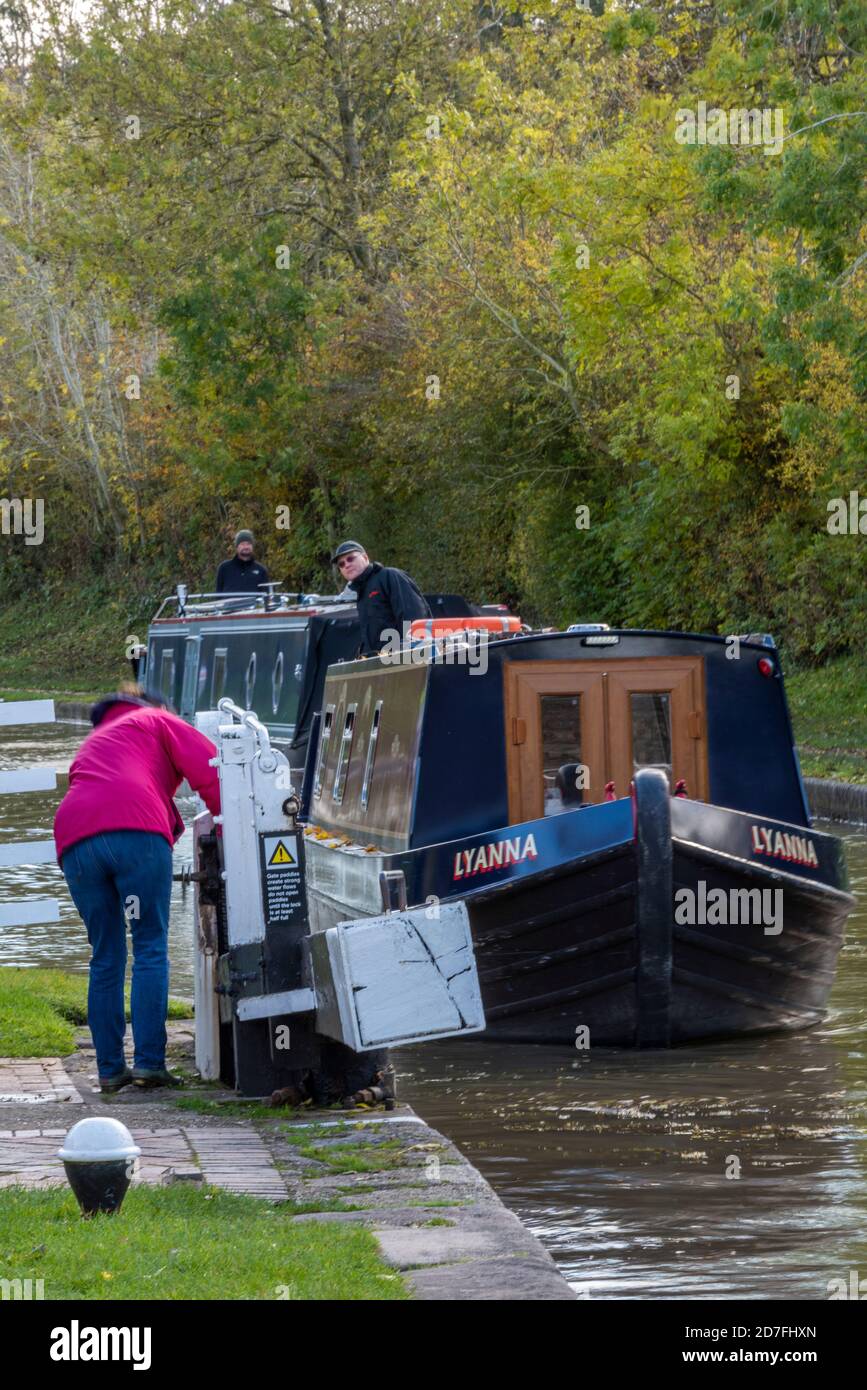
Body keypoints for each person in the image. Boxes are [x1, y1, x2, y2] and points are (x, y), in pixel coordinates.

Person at [53, 685, 222, 1092]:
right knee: (148, 945)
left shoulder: (95, 741)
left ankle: (110, 1070)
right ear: (161, 707)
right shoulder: (157, 719)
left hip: (75, 841)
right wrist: (227, 823)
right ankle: (149, 1063)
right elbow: (213, 769)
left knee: (106, 955)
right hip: (134, 833)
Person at [331, 540, 431, 656]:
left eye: (350, 558)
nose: (346, 565)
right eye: (341, 564)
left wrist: (410, 653)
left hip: (406, 660)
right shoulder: (361, 594)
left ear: (365, 557)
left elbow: (414, 616)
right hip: (381, 665)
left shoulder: (389, 576)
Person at [215, 529, 270, 595]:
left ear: (252, 546)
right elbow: (218, 595)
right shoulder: (224, 568)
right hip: (229, 605)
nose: (246, 547)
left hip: (253, 605)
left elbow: (266, 597)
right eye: (242, 544)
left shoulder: (261, 570)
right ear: (237, 547)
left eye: (248, 544)